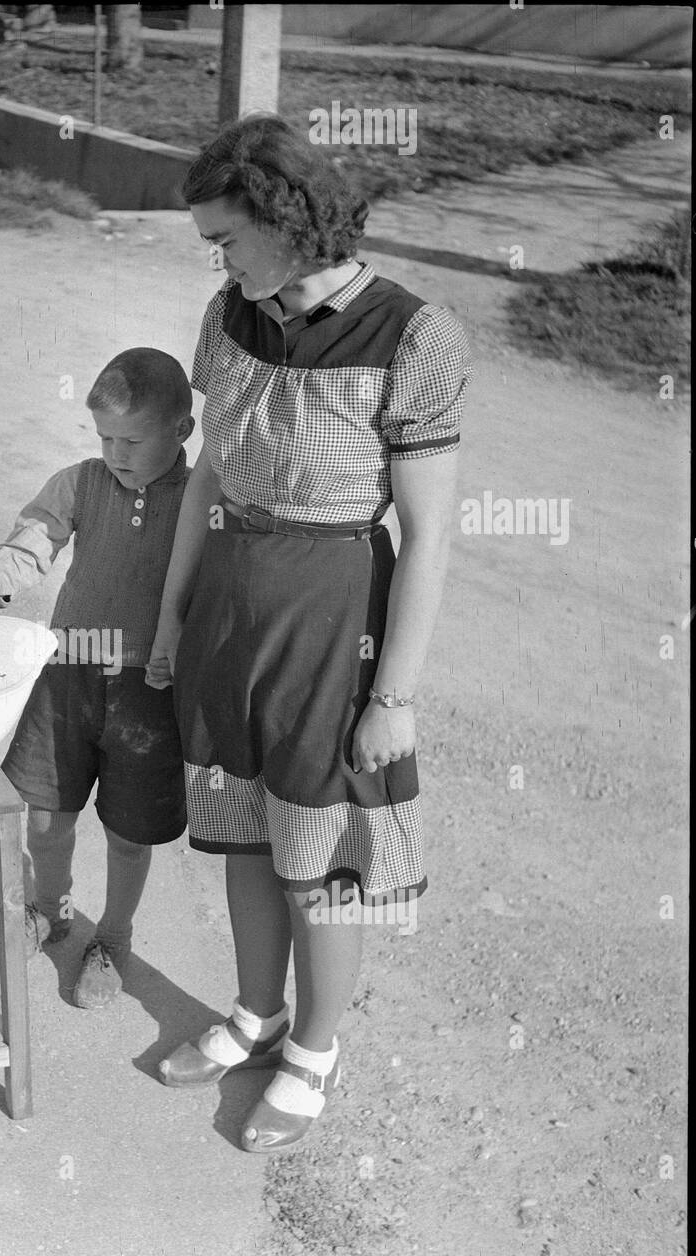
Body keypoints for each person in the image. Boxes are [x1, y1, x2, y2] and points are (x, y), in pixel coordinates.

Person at [146, 116, 470, 1150]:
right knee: (245, 833)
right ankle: (256, 1013)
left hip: (334, 617)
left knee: (323, 862)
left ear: (288, 223)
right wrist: (170, 615)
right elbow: (205, 474)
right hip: (232, 601)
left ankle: (313, 1056)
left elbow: (426, 537)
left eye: (226, 237)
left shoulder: (415, 337)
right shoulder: (230, 312)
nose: (216, 257)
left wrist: (395, 700)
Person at [0, 348, 193, 1008]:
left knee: (128, 833)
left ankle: (114, 940)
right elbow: (31, 545)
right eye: (104, 437)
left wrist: (185, 646)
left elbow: (218, 589)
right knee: (43, 811)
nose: (116, 453)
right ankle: (48, 911)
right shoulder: (80, 483)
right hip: (68, 672)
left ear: (182, 432)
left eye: (132, 440)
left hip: (147, 693)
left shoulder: (200, 500)